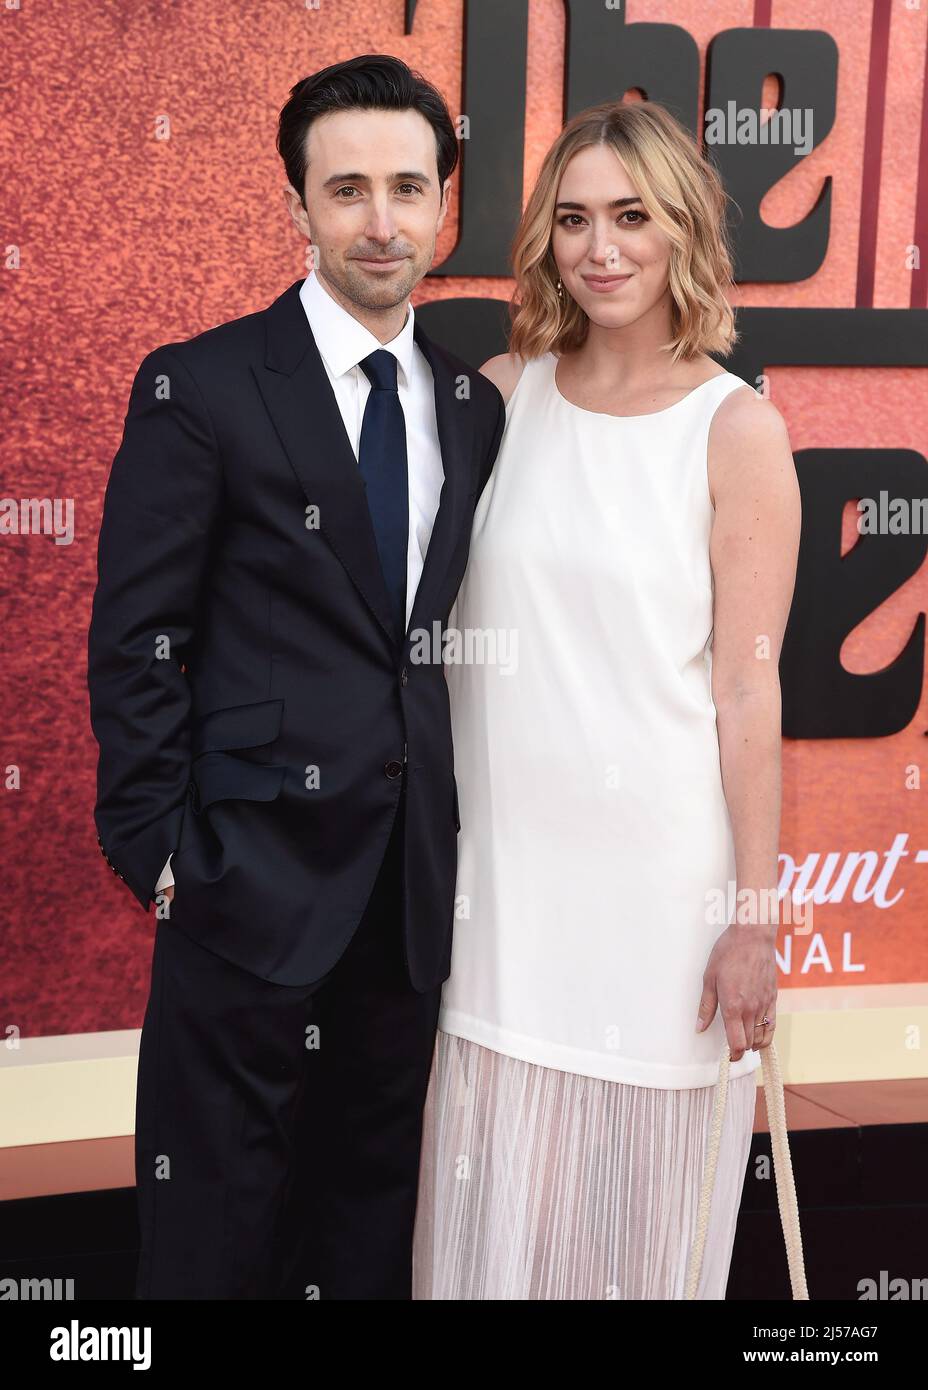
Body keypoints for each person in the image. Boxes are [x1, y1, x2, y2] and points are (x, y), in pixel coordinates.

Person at [87, 54, 505, 1300]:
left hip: (405, 897)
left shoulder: (471, 400)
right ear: (297, 208)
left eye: (407, 188)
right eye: (347, 190)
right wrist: (163, 852)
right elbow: (135, 635)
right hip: (241, 884)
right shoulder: (202, 385)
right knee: (214, 1230)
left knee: (370, 1222)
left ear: (445, 204)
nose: (381, 221)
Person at [412, 99, 801, 1300]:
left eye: (633, 215)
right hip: (499, 898)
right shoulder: (497, 394)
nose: (603, 247)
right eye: (574, 218)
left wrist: (752, 915)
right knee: (490, 1223)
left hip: (659, 904)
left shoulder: (734, 428)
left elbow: (744, 687)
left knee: (634, 1242)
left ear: (683, 226)